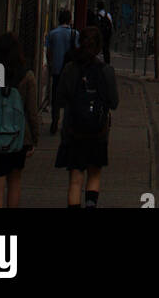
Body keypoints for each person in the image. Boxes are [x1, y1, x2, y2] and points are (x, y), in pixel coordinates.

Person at [55, 25, 118, 207]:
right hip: (98, 133)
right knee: (94, 175)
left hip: (73, 131)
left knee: (75, 179)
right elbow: (114, 102)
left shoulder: (70, 69)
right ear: (99, 47)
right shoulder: (106, 71)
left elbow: (59, 99)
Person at [0, 32, 38, 208]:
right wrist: (34, 137)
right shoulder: (27, 76)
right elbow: (32, 111)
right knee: (15, 180)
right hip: (19, 137)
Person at [46, 9, 78, 135]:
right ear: (70, 19)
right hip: (70, 71)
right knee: (71, 97)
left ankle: (55, 119)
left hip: (57, 70)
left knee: (56, 97)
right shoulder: (75, 34)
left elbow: (49, 52)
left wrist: (50, 64)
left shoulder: (52, 34)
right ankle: (68, 122)